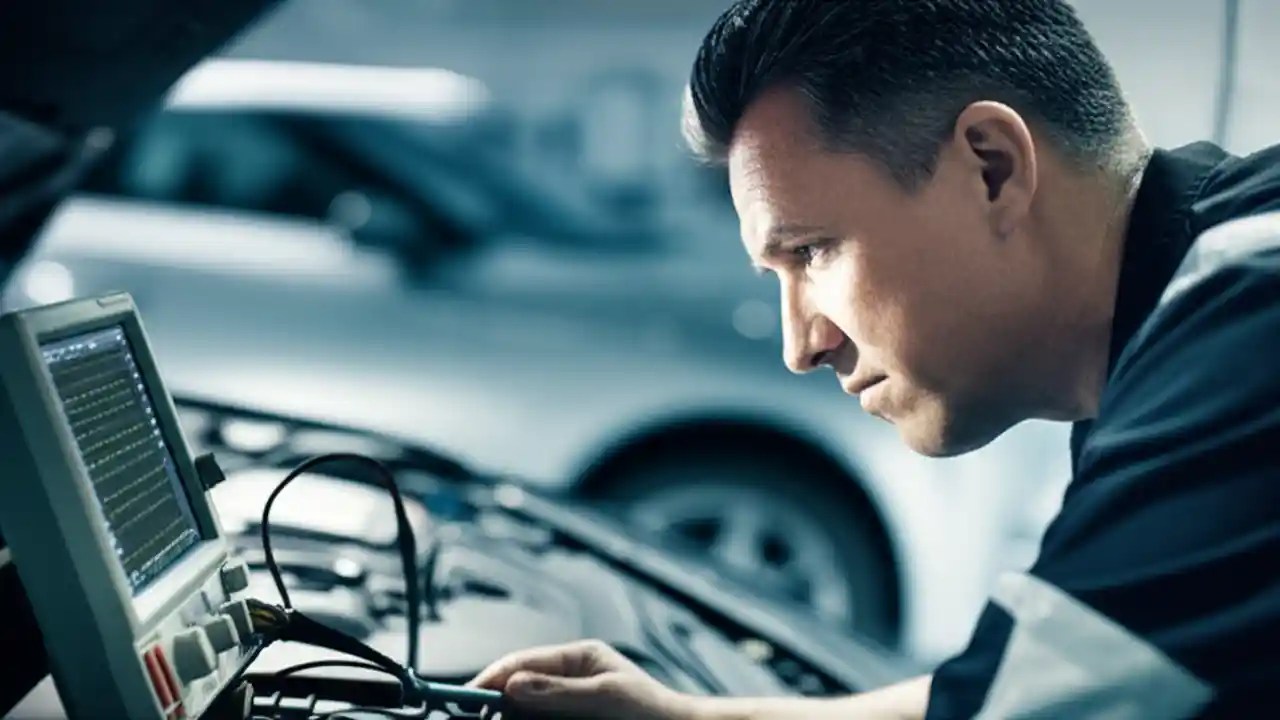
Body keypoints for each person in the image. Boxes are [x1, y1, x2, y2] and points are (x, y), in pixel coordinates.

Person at [469, 0, 1280, 717]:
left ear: (991, 169)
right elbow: (1025, 683)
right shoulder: (1201, 295)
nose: (801, 345)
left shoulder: (1249, 310)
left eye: (815, 252)